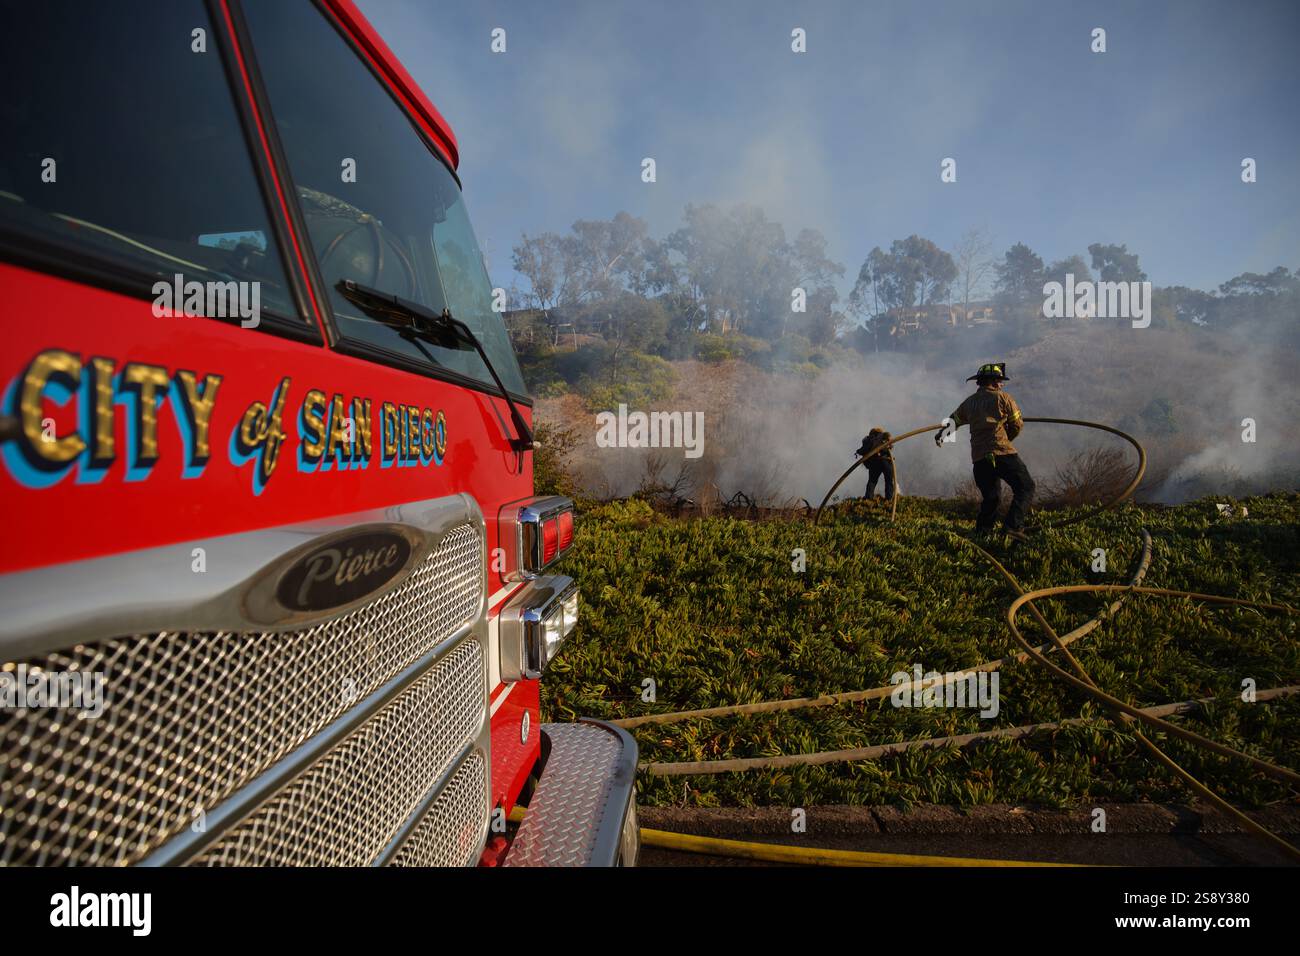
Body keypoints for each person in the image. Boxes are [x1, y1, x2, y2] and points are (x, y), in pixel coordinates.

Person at [935, 363, 1034, 539]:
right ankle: (1012, 527)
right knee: (1025, 487)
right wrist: (1006, 439)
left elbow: (953, 420)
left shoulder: (969, 403)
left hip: (980, 459)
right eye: (1000, 381)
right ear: (994, 382)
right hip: (1003, 453)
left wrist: (942, 436)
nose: (1002, 384)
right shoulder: (1003, 398)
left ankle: (982, 533)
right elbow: (1017, 424)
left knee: (991, 498)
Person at [855, 427, 896, 500]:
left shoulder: (868, 439)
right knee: (889, 480)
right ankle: (889, 499)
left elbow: (863, 450)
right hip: (886, 461)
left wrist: (858, 451)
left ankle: (868, 498)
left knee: (872, 481)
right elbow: (890, 443)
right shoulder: (884, 435)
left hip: (874, 463)